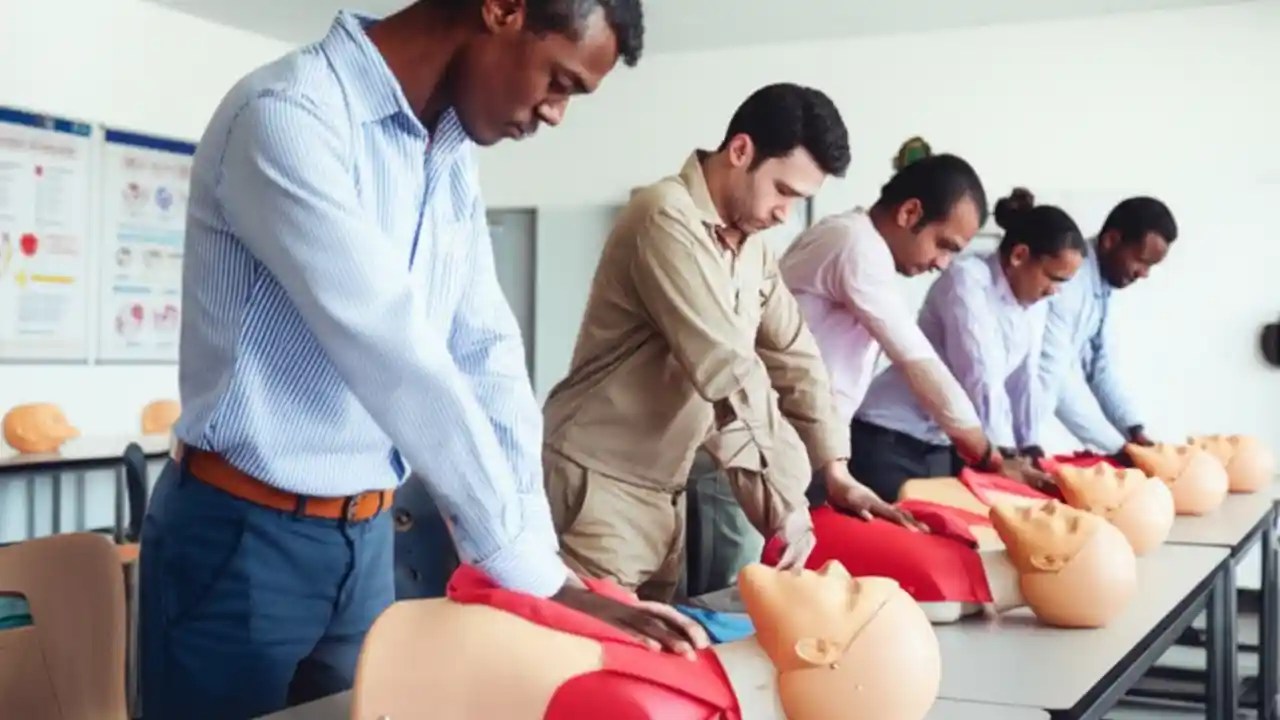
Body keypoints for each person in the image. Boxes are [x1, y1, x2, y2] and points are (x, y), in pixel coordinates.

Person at [137, 3, 712, 719]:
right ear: (502, 9)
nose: (555, 113)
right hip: (240, 540)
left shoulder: (445, 155)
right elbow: (396, 352)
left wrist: (542, 563)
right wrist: (530, 576)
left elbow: (485, 353)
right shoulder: (288, 115)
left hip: (367, 538)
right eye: (559, 81)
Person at [542, 82, 919, 603]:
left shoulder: (752, 249)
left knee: (653, 643)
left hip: (665, 489)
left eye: (799, 200)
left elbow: (795, 357)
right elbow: (728, 368)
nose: (785, 213)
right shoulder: (664, 215)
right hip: (600, 484)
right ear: (740, 151)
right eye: (782, 190)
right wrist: (786, 504)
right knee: (595, 644)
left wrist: (835, 470)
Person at [779, 155, 1053, 504]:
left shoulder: (866, 248)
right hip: (773, 445)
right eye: (944, 245)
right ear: (909, 213)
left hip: (810, 447)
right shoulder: (855, 244)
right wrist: (992, 458)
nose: (942, 263)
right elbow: (918, 361)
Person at [850, 189, 1087, 501]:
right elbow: (981, 377)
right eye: (1053, 277)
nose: (1054, 291)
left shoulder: (1034, 303)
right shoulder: (966, 280)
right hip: (888, 438)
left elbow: (1023, 380)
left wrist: (1030, 449)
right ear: (1019, 256)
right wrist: (1005, 456)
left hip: (943, 444)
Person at [1029, 197, 1179, 457]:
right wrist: (1119, 448)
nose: (1144, 273)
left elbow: (1100, 367)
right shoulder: (1069, 282)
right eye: (1141, 261)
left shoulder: (1102, 283)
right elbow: (1058, 378)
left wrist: (1133, 429)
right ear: (1111, 240)